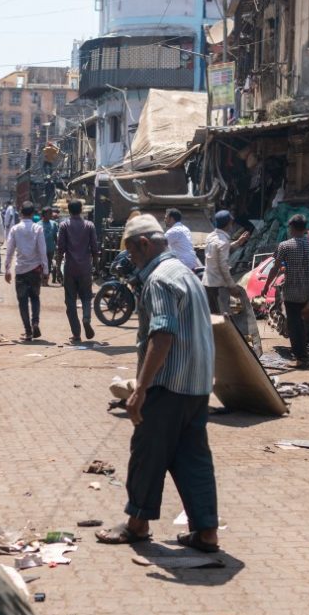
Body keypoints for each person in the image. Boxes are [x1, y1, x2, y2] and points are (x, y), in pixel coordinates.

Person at [95, 215, 220, 553]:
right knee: (192, 458)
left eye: (132, 253)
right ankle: (206, 531)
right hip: (197, 384)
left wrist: (139, 390)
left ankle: (137, 523)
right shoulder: (185, 273)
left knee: (147, 453)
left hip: (169, 386)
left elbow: (162, 336)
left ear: (145, 245)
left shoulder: (159, 280)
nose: (132, 260)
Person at [263, 214, 309, 369]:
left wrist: (266, 285)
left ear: (292, 228)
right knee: (301, 324)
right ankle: (304, 355)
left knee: (294, 326)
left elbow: (274, 268)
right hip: (307, 294)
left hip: (291, 293)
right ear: (305, 229)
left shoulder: (285, 246)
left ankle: (301, 359)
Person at [56, 199, 99, 344]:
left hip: (70, 268)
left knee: (70, 301)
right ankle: (86, 318)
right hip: (85, 268)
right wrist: (96, 267)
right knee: (86, 297)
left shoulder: (64, 226)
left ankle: (76, 334)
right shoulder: (89, 226)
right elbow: (95, 248)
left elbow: (60, 249)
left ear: (68, 210)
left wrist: (57, 269)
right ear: (81, 210)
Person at [5, 201, 49, 341]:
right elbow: (43, 251)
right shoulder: (38, 228)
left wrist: (7, 269)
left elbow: (10, 251)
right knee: (35, 298)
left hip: (21, 271)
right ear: (33, 214)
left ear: (21, 213)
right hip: (36, 270)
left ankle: (28, 331)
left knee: (22, 302)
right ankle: (35, 322)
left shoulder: (15, 229)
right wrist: (46, 270)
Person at [202, 209, 250, 315]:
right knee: (222, 317)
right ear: (228, 223)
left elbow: (218, 252)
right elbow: (223, 266)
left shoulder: (211, 236)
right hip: (218, 285)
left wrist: (238, 242)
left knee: (212, 315)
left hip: (208, 282)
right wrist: (232, 285)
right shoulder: (223, 241)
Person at [41, 206, 59, 284]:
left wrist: (57, 246)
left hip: (50, 248)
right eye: (49, 213)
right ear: (44, 214)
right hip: (40, 250)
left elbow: (55, 236)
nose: (51, 215)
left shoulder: (54, 224)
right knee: (41, 265)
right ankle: (41, 279)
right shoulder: (38, 224)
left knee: (48, 264)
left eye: (51, 213)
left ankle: (45, 280)